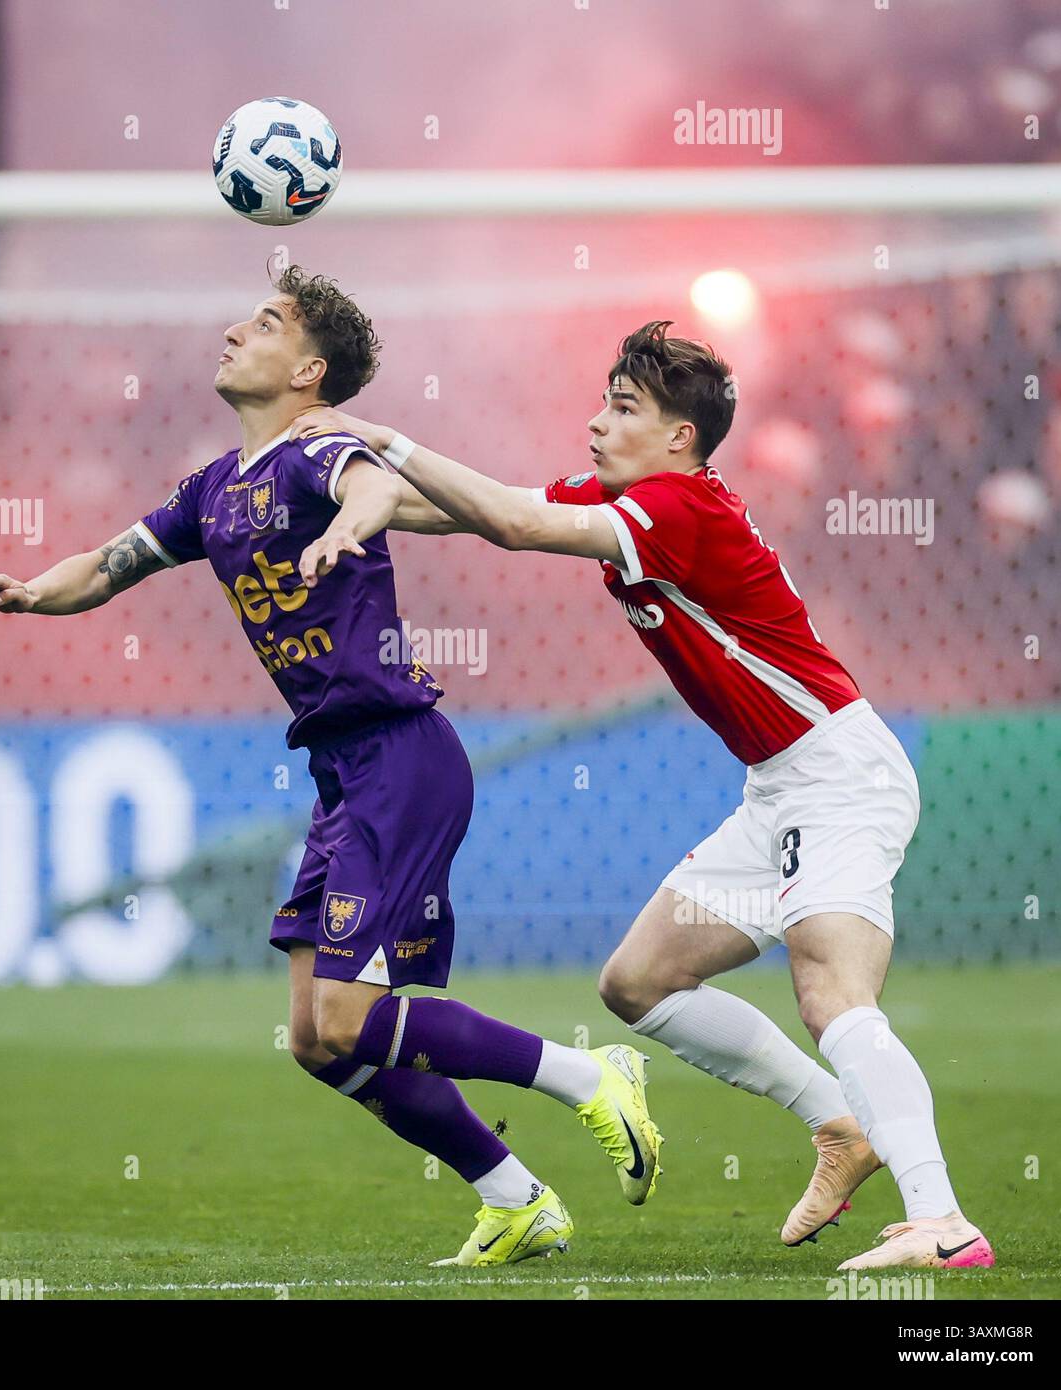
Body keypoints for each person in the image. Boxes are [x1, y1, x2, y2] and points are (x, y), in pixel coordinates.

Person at [0, 266, 663, 1268]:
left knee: (350, 1016)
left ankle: (590, 1078)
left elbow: (370, 480)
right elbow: (110, 562)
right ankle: (515, 1196)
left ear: (309, 369)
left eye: (266, 323)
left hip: (404, 760)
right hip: (344, 776)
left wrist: (347, 523)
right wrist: (32, 590)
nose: (234, 330)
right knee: (315, 1041)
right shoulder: (215, 490)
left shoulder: (318, 448)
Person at [290, 320, 994, 1273]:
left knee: (832, 996)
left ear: (680, 437)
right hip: (779, 788)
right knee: (637, 982)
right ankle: (838, 1123)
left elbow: (513, 522)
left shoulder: (679, 508)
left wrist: (381, 436)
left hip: (842, 777)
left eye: (623, 409)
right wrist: (331, 487)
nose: (595, 423)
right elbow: (464, 511)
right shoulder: (628, 499)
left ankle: (942, 1221)